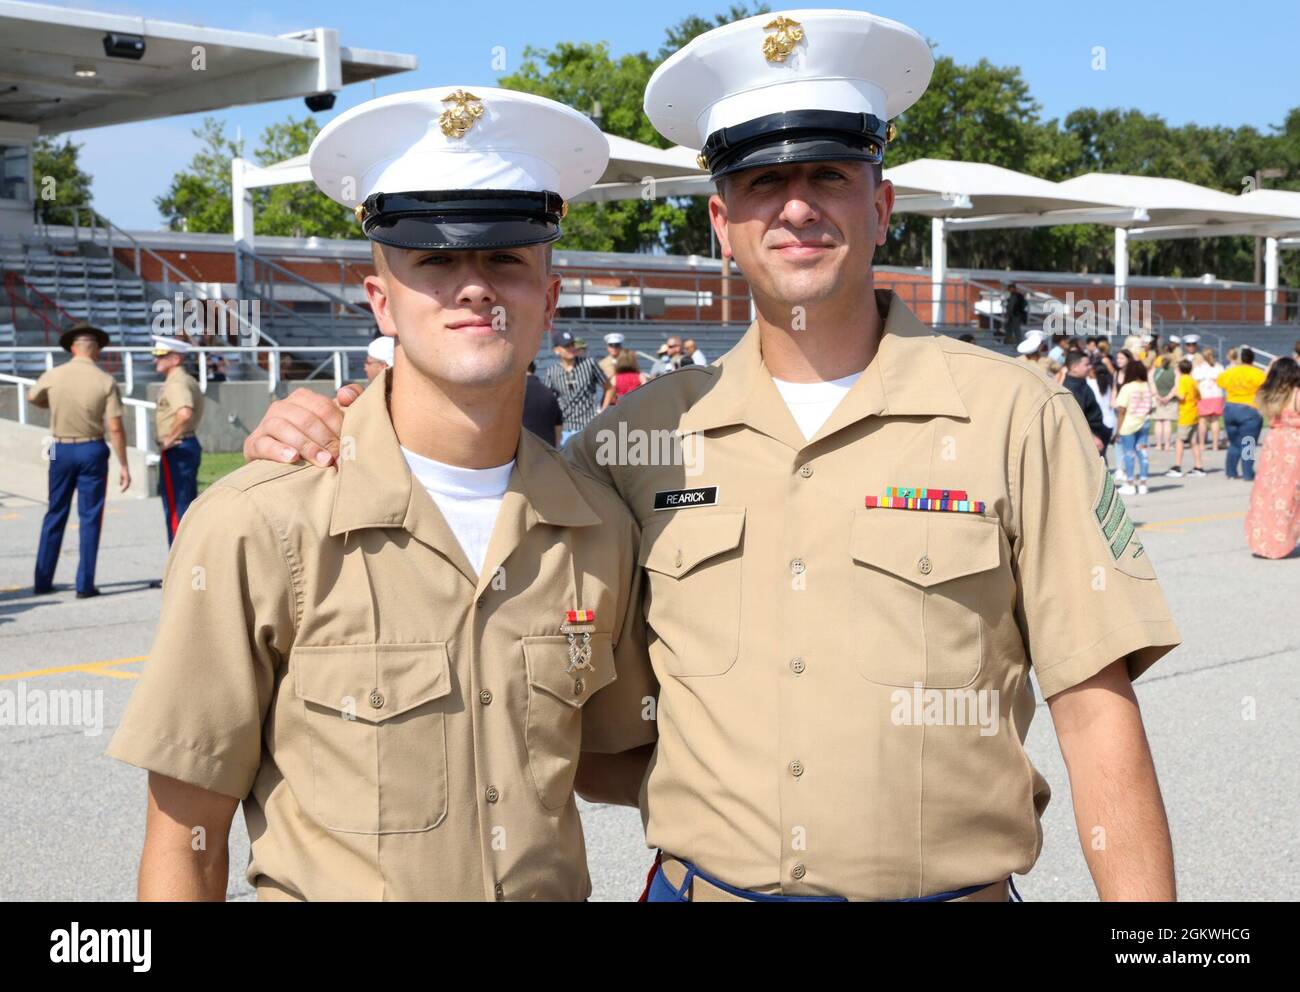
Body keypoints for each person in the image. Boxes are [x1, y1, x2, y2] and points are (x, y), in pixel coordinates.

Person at [244, 10, 1181, 903]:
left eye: (829, 175)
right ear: (719, 222)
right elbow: (561, 706)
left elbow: (1095, 705)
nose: (799, 207)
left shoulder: (1014, 418)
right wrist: (328, 421)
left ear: (883, 204)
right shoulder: (631, 448)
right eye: (764, 184)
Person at [107, 86, 656, 902]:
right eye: (433, 260)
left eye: (506, 257)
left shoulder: (598, 528)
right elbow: (185, 840)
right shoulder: (262, 524)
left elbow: (616, 760)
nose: (474, 287)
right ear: (381, 301)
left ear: (548, 296)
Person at [28, 322, 131, 598]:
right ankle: (85, 584)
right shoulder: (105, 380)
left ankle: (42, 580)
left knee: (55, 512)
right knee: (90, 517)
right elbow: (116, 428)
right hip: (91, 449)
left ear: (73, 348)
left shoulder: (54, 374)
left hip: (61, 448)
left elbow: (32, 396)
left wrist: (56, 404)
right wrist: (124, 464)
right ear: (95, 350)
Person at [151, 335, 205, 546]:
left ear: (175, 359)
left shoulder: (177, 382)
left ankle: (177, 573)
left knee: (176, 512)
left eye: (161, 356)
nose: (156, 360)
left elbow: (184, 413)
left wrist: (167, 440)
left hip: (178, 449)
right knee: (184, 509)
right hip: (186, 446)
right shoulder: (186, 379)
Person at [1245, 357, 1300, 558]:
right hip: (1294, 446)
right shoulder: (1296, 394)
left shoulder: (1268, 394)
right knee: (1289, 494)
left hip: (1273, 444)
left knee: (1267, 492)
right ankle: (1281, 540)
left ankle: (1263, 540)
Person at [542, 329, 613, 445]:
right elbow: (548, 401)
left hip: (588, 426)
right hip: (565, 429)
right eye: (566, 346)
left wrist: (602, 411)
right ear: (556, 350)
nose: (571, 348)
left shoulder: (589, 364)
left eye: (572, 344)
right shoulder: (552, 372)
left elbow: (609, 388)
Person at [1217, 346, 1267, 481]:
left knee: (1234, 442)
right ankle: (1247, 472)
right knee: (1248, 442)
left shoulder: (1230, 372)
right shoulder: (1258, 373)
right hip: (1249, 409)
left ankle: (1231, 472)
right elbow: (1265, 388)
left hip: (1230, 407)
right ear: (1252, 359)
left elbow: (1220, 382)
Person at [1114, 360, 1153, 495]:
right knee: (1143, 452)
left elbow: (1121, 411)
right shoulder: (1147, 386)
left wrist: (1118, 431)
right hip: (1144, 422)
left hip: (1129, 424)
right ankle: (1143, 483)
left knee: (1129, 453)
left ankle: (1130, 483)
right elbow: (1151, 407)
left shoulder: (1127, 387)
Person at [1061, 349, 1109, 455]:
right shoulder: (1072, 389)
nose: (1090, 367)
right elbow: (1076, 418)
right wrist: (1092, 438)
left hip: (1095, 434)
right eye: (1086, 364)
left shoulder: (1080, 383)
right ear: (1074, 367)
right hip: (1087, 440)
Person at [1166, 358, 1204, 478]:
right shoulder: (1192, 380)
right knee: (1193, 441)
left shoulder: (1183, 380)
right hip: (1194, 412)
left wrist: (1175, 390)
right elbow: (1199, 396)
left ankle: (1177, 466)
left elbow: (1181, 396)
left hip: (1186, 414)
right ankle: (1198, 466)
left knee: (1180, 440)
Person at [1192, 346, 1225, 453]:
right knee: (1215, 420)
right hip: (1217, 395)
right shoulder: (1219, 367)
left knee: (1203, 420)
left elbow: (1194, 383)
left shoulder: (1198, 368)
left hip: (1203, 395)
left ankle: (1202, 445)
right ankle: (1215, 445)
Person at [523, 360, 563, 447]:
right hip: (547, 453)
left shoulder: (514, 394)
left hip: (523, 453)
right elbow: (558, 426)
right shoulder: (549, 393)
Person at [1150, 348, 1179, 452]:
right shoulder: (1175, 371)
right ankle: (1167, 445)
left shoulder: (1154, 371)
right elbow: (1176, 386)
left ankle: (1158, 444)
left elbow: (1152, 385)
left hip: (1158, 400)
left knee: (1158, 422)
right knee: (1167, 423)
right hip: (1170, 400)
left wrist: (1158, 396)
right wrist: (1168, 397)